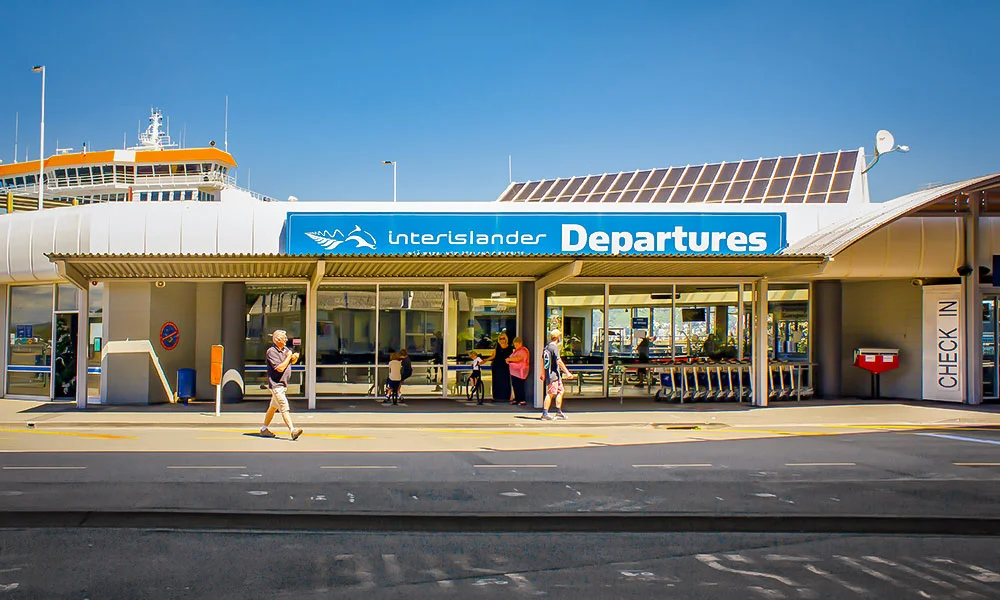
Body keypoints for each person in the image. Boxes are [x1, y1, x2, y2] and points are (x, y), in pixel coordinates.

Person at [260, 329, 303, 440]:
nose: (286, 340)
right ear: (277, 340)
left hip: (283, 385)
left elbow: (291, 361)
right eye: (284, 338)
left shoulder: (285, 350)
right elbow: (279, 368)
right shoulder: (271, 352)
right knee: (284, 407)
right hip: (276, 385)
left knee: (273, 407)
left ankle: (264, 429)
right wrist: (289, 357)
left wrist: (294, 357)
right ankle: (292, 430)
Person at [540, 329, 572, 420]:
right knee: (550, 393)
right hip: (553, 374)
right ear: (558, 337)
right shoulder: (554, 348)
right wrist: (567, 372)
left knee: (561, 391)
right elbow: (559, 361)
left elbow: (543, 360)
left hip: (554, 374)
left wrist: (542, 373)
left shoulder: (546, 348)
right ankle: (545, 413)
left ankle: (558, 412)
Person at [486, 332, 513, 403]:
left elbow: (512, 357)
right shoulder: (497, 347)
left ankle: (506, 397)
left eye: (503, 338)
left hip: (505, 367)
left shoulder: (509, 348)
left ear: (506, 339)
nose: (502, 340)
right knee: (496, 382)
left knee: (505, 381)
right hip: (496, 367)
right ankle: (496, 397)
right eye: (500, 339)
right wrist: (485, 360)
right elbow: (493, 356)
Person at [506, 336, 530, 406]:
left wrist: (509, 359)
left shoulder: (523, 351)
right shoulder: (517, 351)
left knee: (520, 385)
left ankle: (522, 400)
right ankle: (517, 399)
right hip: (514, 371)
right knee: (515, 385)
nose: (516, 346)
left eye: (517, 344)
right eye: (515, 345)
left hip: (520, 371)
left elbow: (518, 358)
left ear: (521, 343)